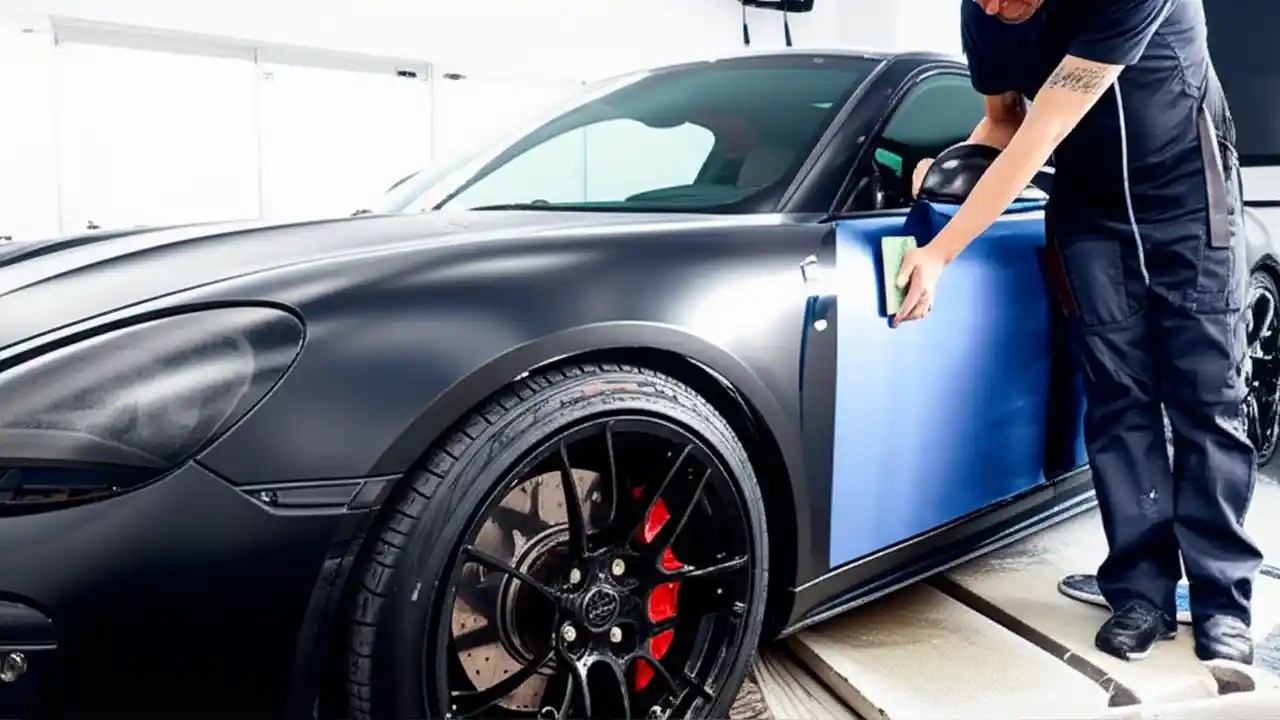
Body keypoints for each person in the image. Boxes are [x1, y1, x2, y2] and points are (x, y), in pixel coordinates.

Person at [896, 0, 1262, 664]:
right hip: (1089, 214)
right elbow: (1002, 123)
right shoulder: (982, 15)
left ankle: (1222, 604)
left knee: (1208, 400)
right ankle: (1140, 593)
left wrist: (943, 250)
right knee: (1119, 405)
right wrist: (939, 170)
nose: (996, 7)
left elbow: (1045, 128)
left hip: (1190, 197)